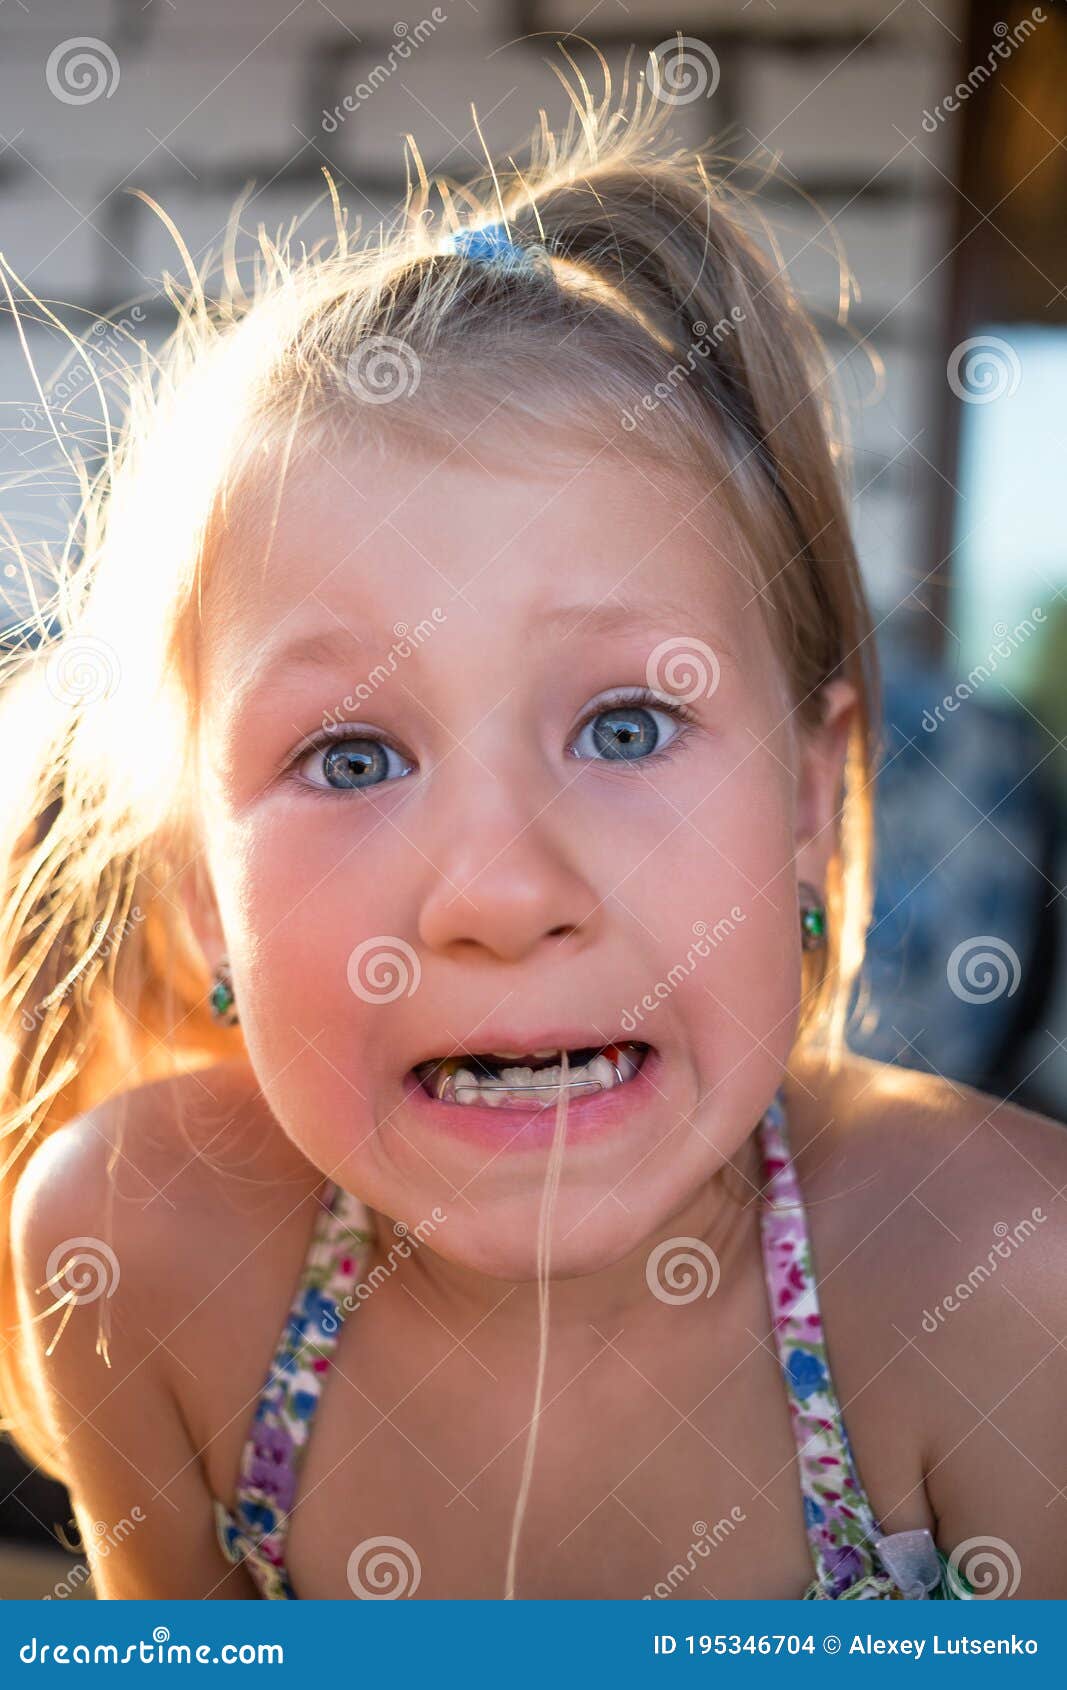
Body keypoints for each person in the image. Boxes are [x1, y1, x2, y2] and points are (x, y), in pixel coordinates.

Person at [2, 73, 1066, 1603]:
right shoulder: (131, 1250)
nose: (501, 893)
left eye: (625, 727)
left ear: (807, 802)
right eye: (351, 755)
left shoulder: (1010, 1285)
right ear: (201, 896)